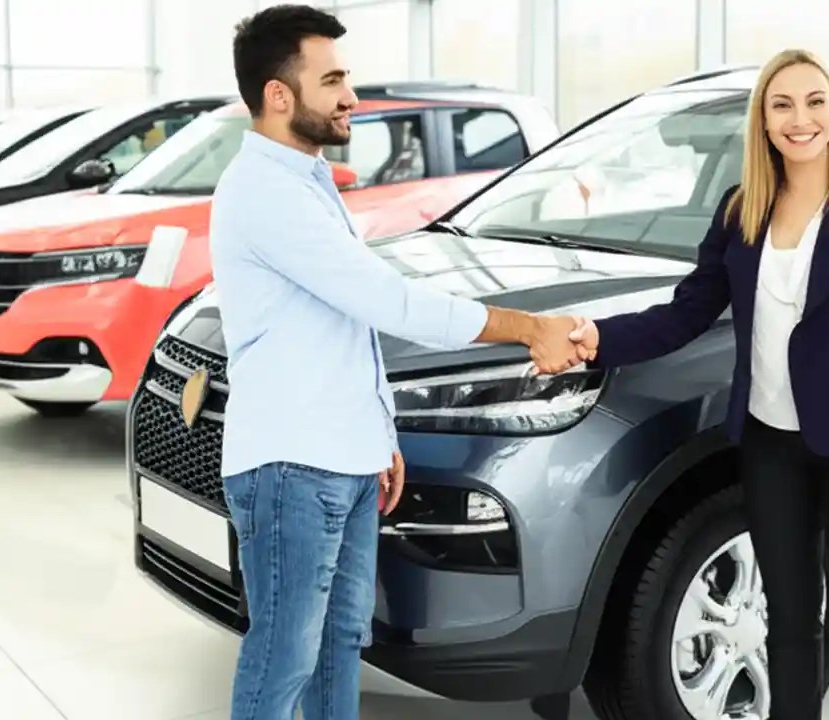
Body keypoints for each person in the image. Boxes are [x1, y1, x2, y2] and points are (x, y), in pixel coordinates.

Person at [208, 6, 584, 719]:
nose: (351, 96)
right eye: (333, 80)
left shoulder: (308, 179)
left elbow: (346, 328)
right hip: (292, 467)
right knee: (284, 657)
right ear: (279, 94)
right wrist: (528, 327)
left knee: (337, 648)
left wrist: (377, 432)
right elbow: (387, 302)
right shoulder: (264, 191)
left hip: (342, 459)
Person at [568, 49, 829, 720]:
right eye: (782, 105)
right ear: (763, 121)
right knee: (788, 625)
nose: (801, 119)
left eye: (815, 101)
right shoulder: (742, 209)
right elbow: (685, 314)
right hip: (771, 446)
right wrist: (597, 337)